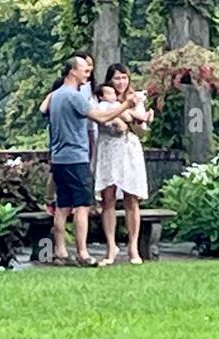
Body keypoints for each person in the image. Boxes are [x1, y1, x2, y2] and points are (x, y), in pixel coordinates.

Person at [44, 55, 132, 266]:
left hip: (58, 159)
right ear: (72, 71)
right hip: (76, 158)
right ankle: (82, 253)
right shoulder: (74, 96)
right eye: (84, 70)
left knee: (62, 206)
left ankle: (60, 252)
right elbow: (101, 118)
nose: (88, 74)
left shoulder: (55, 96)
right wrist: (125, 105)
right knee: (82, 205)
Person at [92, 64, 153, 264]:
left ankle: (133, 248)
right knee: (107, 198)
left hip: (129, 149)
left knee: (131, 198)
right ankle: (111, 247)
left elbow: (142, 132)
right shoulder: (101, 100)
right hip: (108, 150)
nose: (121, 82)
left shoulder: (136, 99)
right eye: (117, 78)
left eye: (124, 78)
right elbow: (100, 122)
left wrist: (135, 121)